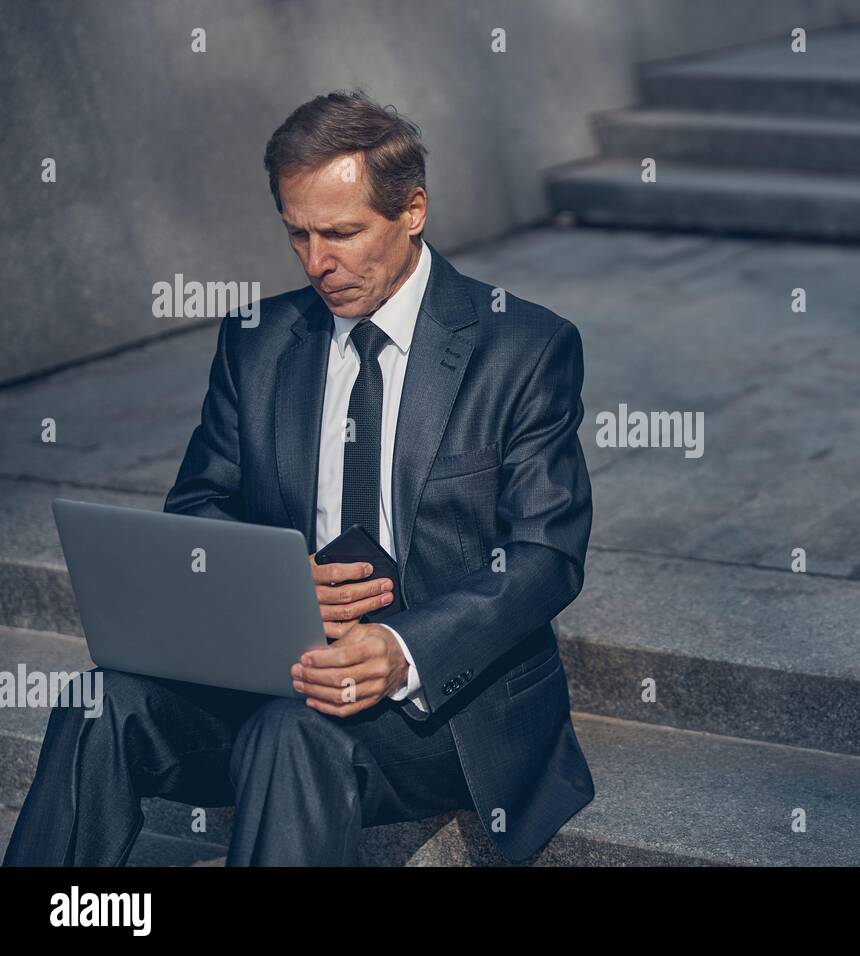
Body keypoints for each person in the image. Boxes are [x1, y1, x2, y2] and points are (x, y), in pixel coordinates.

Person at [3, 89, 595, 866]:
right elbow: (200, 507)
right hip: (281, 664)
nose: (318, 263)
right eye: (298, 235)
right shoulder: (259, 340)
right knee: (99, 702)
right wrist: (271, 586)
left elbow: (547, 554)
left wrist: (399, 648)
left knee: (292, 733)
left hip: (443, 703)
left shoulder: (523, 346)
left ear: (412, 210)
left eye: (343, 233)